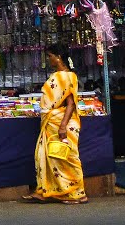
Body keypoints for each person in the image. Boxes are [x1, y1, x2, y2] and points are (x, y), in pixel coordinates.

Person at [23, 43, 87, 204]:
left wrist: (63, 125)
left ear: (58, 57)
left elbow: (71, 103)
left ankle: (76, 193)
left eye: (50, 56)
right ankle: (47, 190)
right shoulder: (61, 75)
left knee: (65, 157)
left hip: (61, 122)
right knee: (47, 156)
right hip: (52, 122)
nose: (49, 59)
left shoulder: (66, 76)